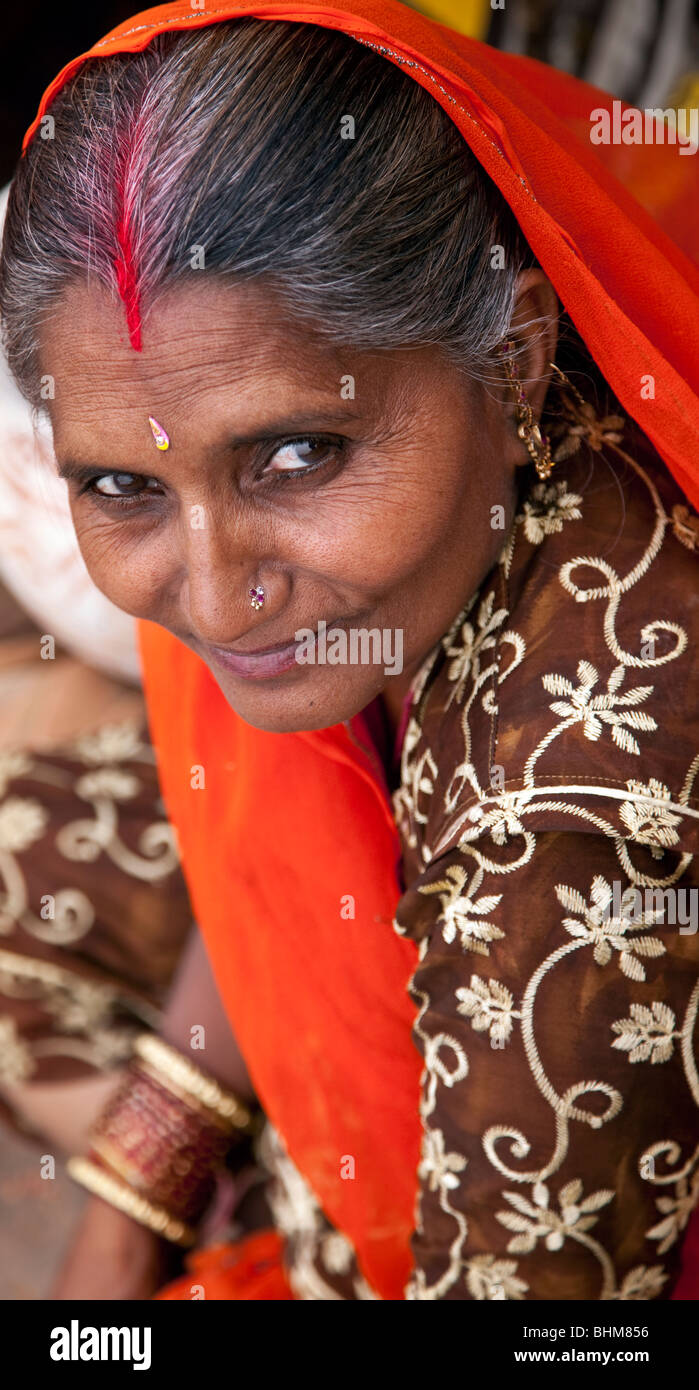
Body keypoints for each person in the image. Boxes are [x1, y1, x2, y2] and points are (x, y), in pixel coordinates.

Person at [0, 0, 697, 1302]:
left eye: (299, 454)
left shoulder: (556, 844)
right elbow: (282, 844)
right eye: (122, 489)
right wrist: (132, 1182)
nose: (213, 597)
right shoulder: (478, 444)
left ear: (521, 353)